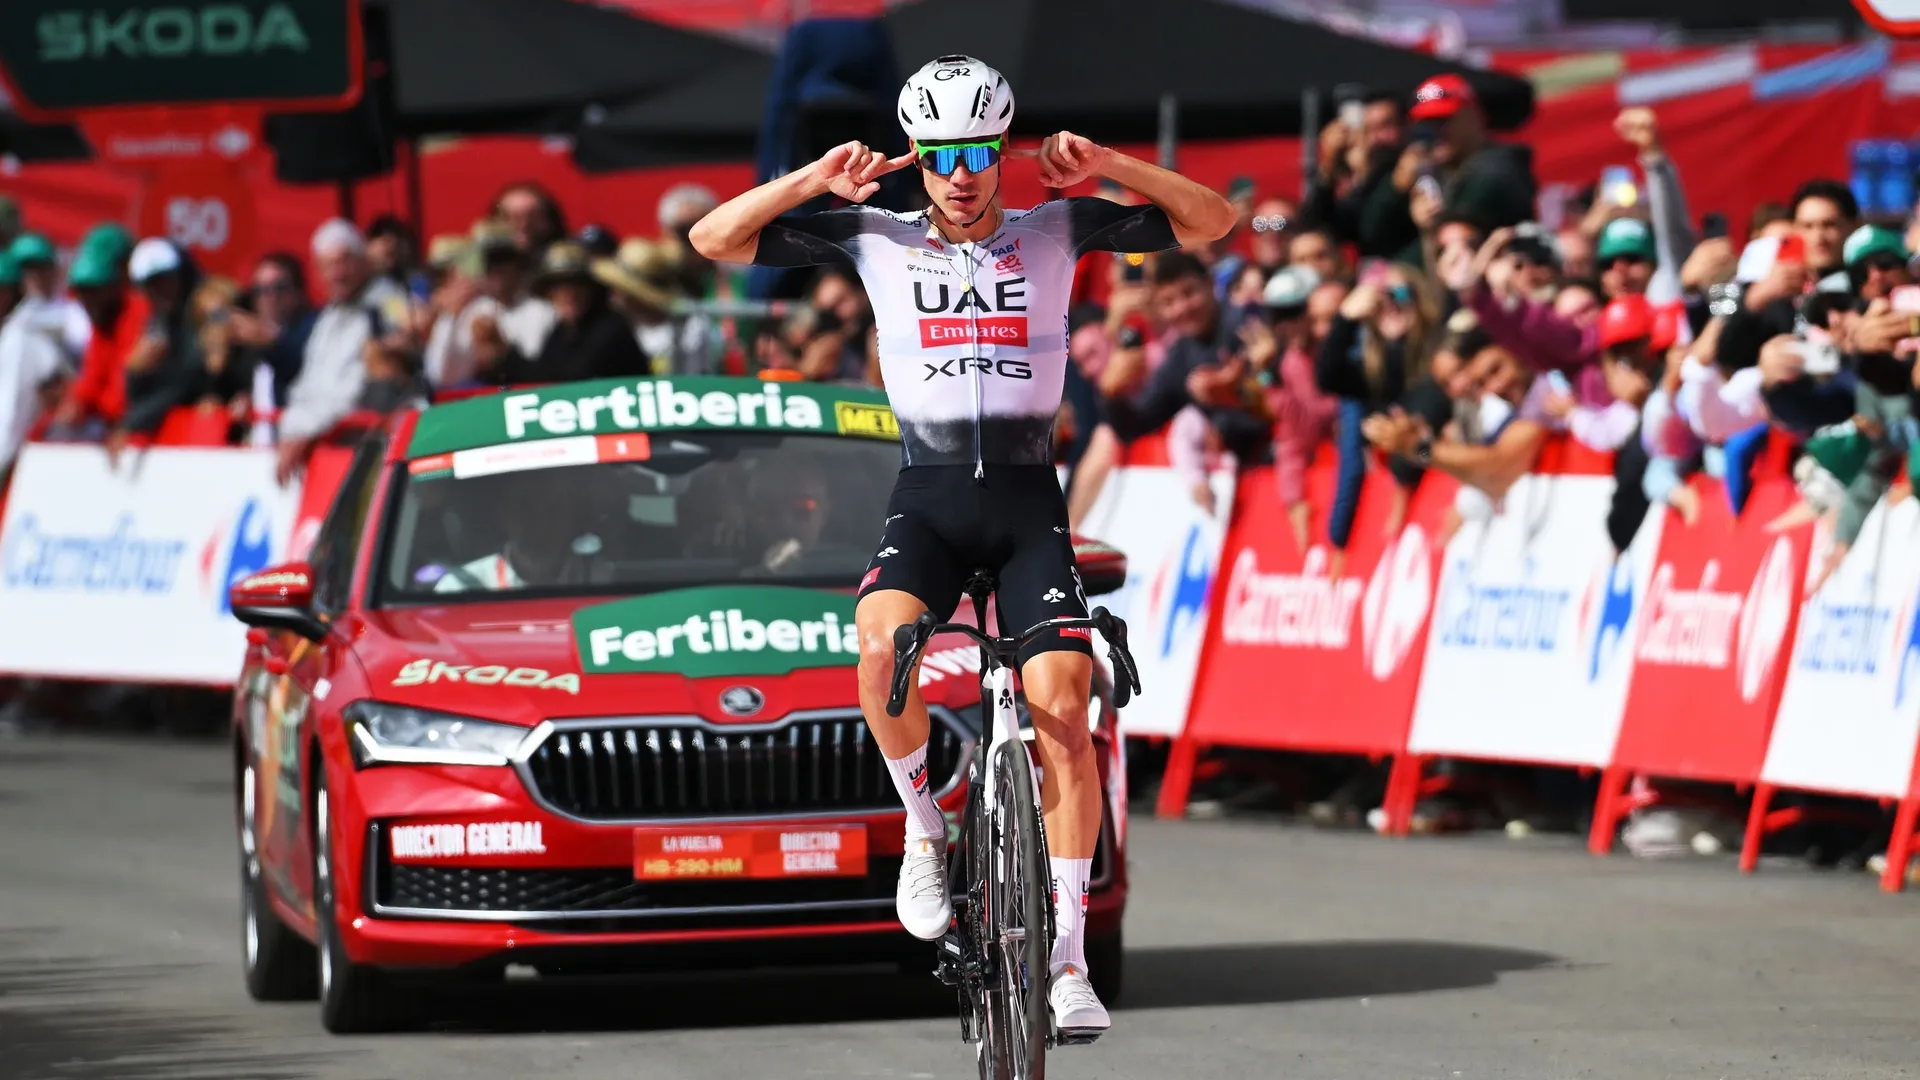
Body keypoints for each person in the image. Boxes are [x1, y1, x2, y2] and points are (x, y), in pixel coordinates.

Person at [688, 53, 1233, 1038]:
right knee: (876, 648)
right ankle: (926, 834)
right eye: (941, 155)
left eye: (981, 149)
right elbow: (712, 238)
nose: (963, 172)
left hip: (1028, 502)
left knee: (1064, 699)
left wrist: (1110, 165)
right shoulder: (877, 236)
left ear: (1006, 151)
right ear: (918, 161)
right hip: (929, 499)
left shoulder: (1057, 228)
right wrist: (817, 180)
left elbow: (1215, 222)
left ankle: (1067, 958)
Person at [275, 219, 412, 484]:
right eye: (328, 265)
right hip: (328, 451)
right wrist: (294, 428)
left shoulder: (387, 302)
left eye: (344, 261)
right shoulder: (329, 315)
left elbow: (350, 392)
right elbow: (311, 384)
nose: (337, 273)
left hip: (373, 454)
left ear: (363, 260)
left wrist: (304, 431)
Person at [507, 241, 649, 384]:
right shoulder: (559, 334)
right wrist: (504, 358)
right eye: (559, 286)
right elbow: (542, 379)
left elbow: (575, 376)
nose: (569, 294)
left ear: (592, 289)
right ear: (549, 293)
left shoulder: (612, 329)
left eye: (577, 283)